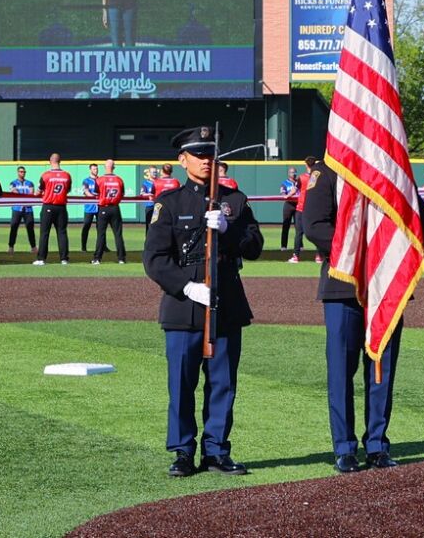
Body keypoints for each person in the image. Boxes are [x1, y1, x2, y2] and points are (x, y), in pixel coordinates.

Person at [143, 125, 263, 477]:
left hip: (225, 305)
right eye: (197, 154)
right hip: (184, 308)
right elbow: (155, 259)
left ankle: (216, 451)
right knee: (182, 385)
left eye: (210, 153)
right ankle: (183, 451)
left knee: (223, 383)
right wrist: (186, 286)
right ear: (182, 160)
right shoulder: (169, 204)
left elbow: (254, 247)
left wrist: (230, 231)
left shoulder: (235, 202)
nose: (206, 160)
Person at [301, 150, 403, 472]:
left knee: (382, 371)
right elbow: (314, 225)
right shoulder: (328, 172)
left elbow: (417, 219)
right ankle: (344, 447)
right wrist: (358, 249)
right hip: (343, 286)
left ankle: (377, 444)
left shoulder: (392, 171)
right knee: (341, 371)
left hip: (385, 284)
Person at [35, 153, 73, 265]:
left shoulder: (46, 175)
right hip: (61, 206)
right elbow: (68, 190)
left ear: (50, 161)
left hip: (49, 205)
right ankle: (64, 259)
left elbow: (39, 190)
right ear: (59, 161)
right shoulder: (67, 175)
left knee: (44, 233)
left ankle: (41, 259)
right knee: (62, 233)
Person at [93, 159, 127, 264]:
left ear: (104, 167)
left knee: (101, 234)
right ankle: (121, 258)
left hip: (104, 207)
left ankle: (97, 258)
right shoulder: (119, 180)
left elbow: (95, 193)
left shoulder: (100, 180)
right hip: (115, 208)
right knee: (118, 234)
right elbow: (122, 194)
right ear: (114, 167)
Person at [8, 166, 38, 253]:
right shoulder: (13, 183)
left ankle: (33, 247)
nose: (22, 173)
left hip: (28, 209)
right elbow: (14, 191)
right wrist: (24, 196)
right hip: (17, 208)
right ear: (18, 172)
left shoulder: (29, 183)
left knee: (30, 228)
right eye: (21, 172)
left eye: (24, 172)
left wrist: (24, 196)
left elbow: (31, 193)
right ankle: (11, 246)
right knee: (14, 227)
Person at [278, 167, 302, 253]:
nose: (294, 174)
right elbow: (282, 193)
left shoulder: (298, 182)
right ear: (288, 173)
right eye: (292, 172)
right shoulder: (285, 183)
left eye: (295, 172)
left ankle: (300, 245)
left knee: (299, 226)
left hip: (297, 205)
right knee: (286, 225)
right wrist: (288, 194)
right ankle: (284, 245)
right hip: (288, 205)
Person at [79, 164, 100, 252]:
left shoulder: (100, 180)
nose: (96, 170)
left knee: (100, 227)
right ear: (90, 170)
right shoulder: (86, 181)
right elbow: (86, 191)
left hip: (99, 206)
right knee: (86, 226)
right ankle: (83, 247)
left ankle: (103, 246)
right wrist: (94, 197)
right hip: (89, 207)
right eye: (94, 169)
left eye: (96, 169)